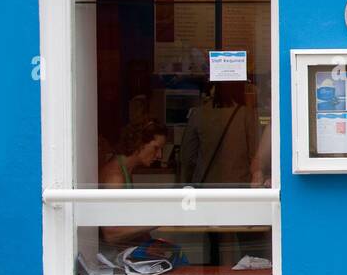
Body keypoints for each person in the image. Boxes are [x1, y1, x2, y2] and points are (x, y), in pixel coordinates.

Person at [98, 117, 169, 245]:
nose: (159, 155)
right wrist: (161, 219)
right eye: (155, 148)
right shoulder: (115, 177)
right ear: (139, 143)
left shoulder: (125, 169)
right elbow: (111, 234)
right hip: (111, 258)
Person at [180, 81, 258, 186]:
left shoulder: (198, 114)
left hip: (206, 187)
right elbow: (255, 155)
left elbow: (188, 157)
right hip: (238, 187)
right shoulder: (247, 115)